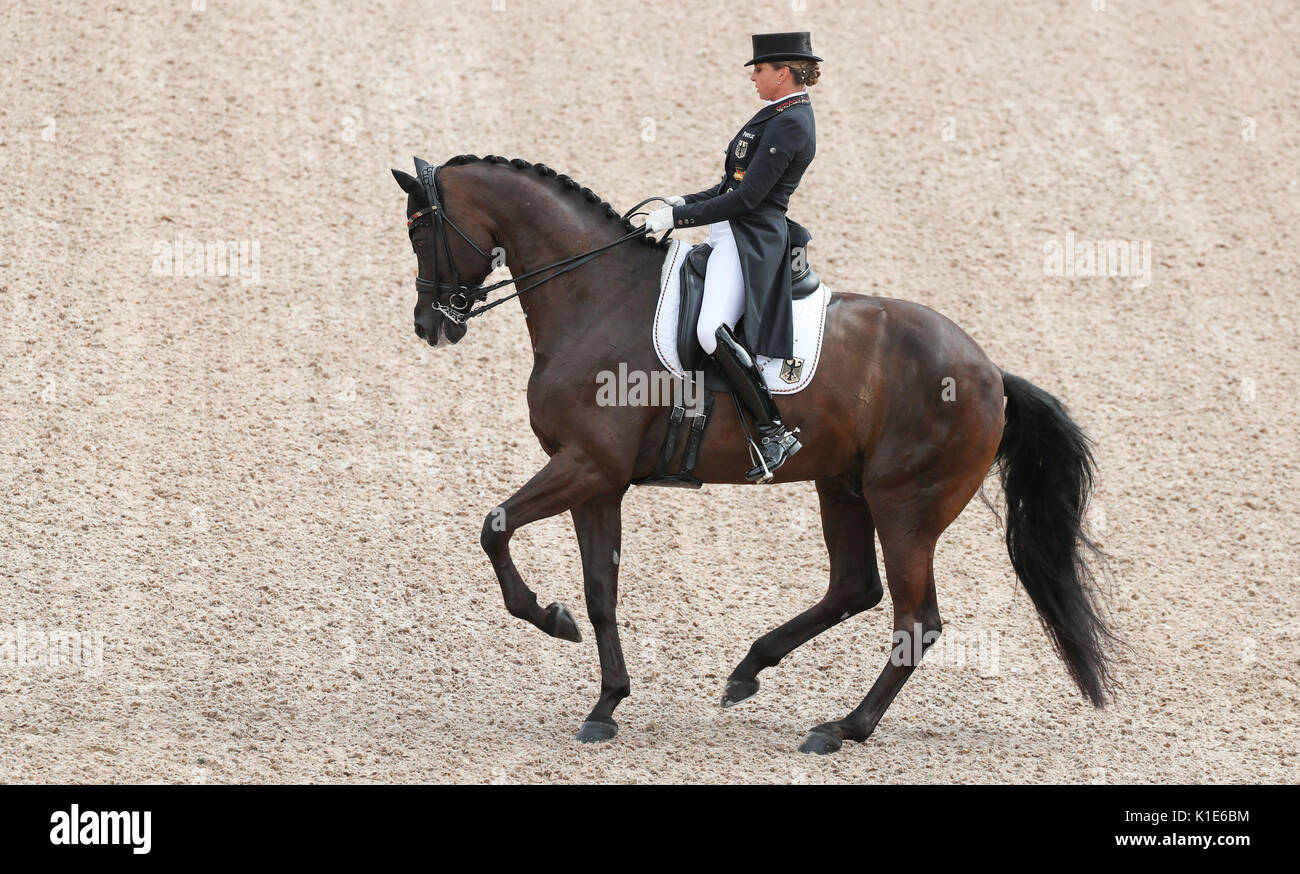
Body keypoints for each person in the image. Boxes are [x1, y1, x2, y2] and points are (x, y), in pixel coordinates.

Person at [644, 31, 820, 483]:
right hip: (728, 231)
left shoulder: (792, 122)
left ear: (782, 73)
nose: (753, 78)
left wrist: (678, 218)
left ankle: (773, 431)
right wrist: (682, 200)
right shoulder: (775, 113)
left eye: (759, 70)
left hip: (749, 240)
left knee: (709, 330)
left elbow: (747, 199)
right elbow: (731, 184)